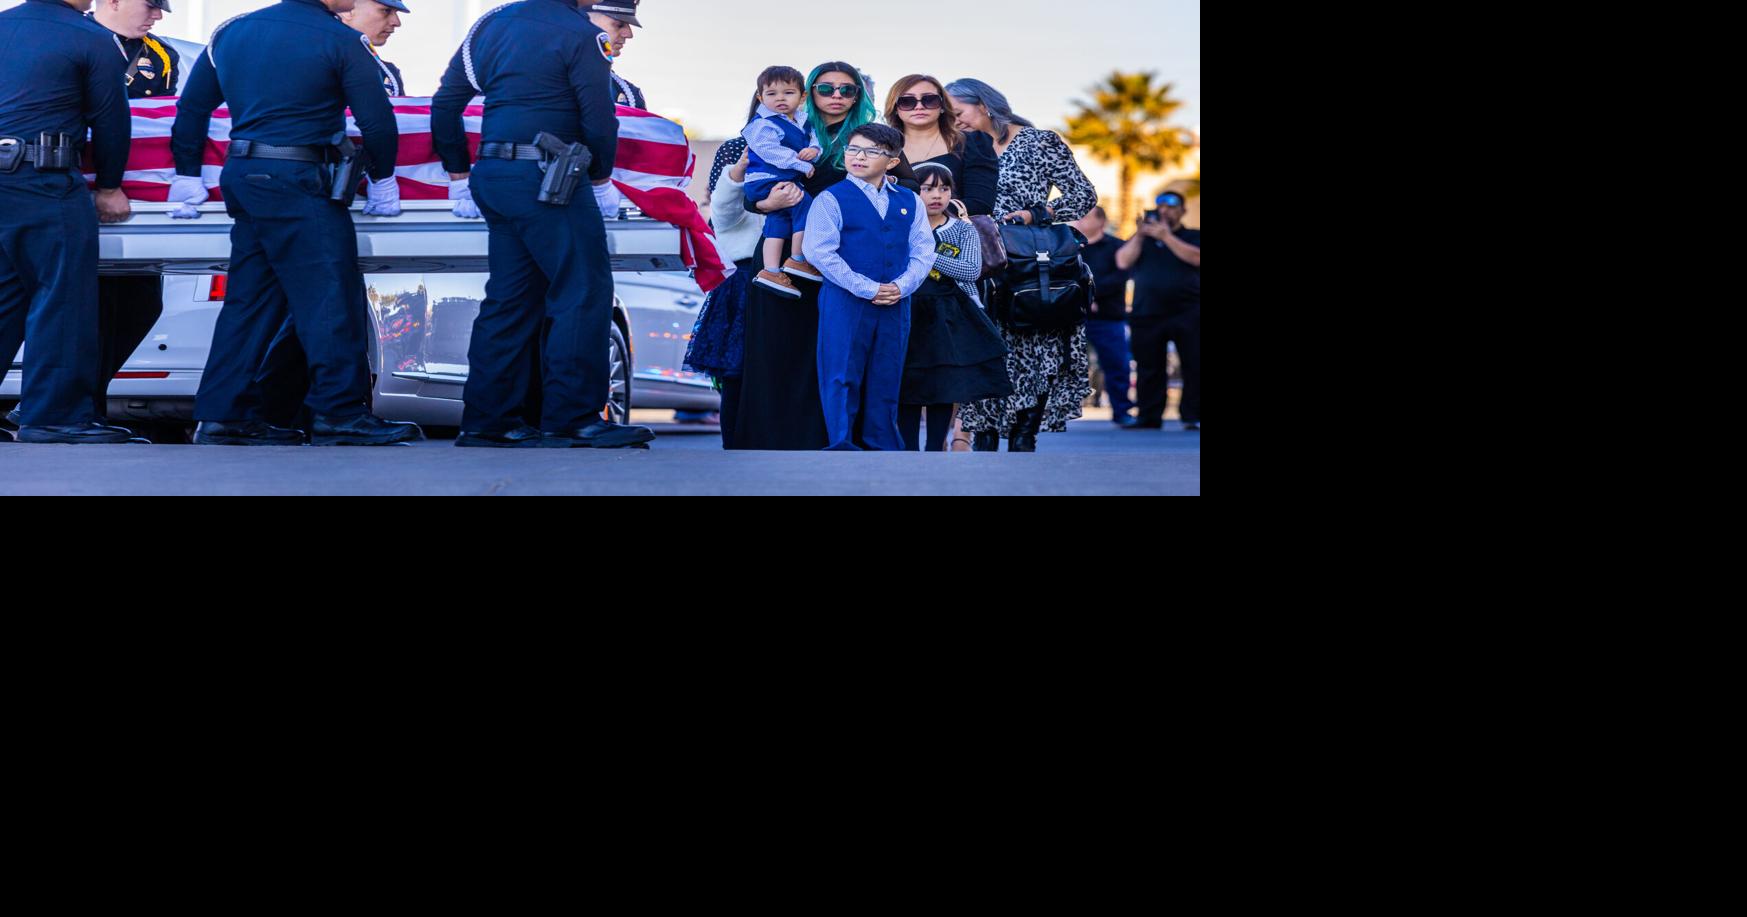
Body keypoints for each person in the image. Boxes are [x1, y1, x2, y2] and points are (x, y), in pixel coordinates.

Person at [170, 0, 418, 447]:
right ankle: (341, 413)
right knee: (329, 298)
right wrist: (383, 179)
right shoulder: (342, 40)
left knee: (250, 302)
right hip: (300, 180)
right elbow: (377, 121)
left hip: (245, 174)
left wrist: (187, 173)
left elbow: (191, 109)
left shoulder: (232, 32)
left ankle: (223, 414)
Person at [431, 0, 653, 448]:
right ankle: (574, 418)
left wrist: (458, 171)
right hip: (550, 180)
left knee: (510, 300)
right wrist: (602, 178)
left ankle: (487, 420)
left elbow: (446, 102)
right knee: (583, 292)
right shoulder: (580, 34)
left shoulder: (491, 23)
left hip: (493, 175)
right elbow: (598, 117)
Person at [0, 0, 136, 445]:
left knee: (4, 300)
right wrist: (110, 186)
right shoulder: (91, 38)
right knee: (62, 296)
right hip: (43, 179)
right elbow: (112, 121)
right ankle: (54, 416)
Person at [947, 77, 1097, 452]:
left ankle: (1023, 436)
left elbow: (1083, 195)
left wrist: (1038, 213)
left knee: (1037, 346)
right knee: (984, 343)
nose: (955, 120)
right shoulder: (955, 147)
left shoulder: (1038, 141)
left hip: (1031, 261)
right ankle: (982, 436)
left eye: (958, 111)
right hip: (976, 261)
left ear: (983, 104)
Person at [732, 61, 875, 452]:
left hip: (841, 259)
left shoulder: (867, 137)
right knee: (777, 345)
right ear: (810, 92)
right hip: (781, 253)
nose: (836, 97)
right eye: (826, 89)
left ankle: (829, 437)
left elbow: (906, 182)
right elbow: (751, 191)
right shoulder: (779, 131)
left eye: (847, 90)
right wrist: (767, 201)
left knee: (828, 350)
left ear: (859, 95)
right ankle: (769, 439)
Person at [802, 122, 936, 451]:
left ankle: (883, 442)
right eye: (853, 149)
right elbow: (818, 251)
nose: (858, 157)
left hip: (896, 299)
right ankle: (841, 440)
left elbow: (923, 249)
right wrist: (866, 288)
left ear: (891, 160)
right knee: (841, 370)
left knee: (887, 371)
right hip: (845, 299)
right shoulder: (831, 198)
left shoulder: (909, 200)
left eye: (871, 152)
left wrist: (902, 286)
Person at [683, 132, 803, 449]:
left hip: (795, 274)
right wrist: (757, 195)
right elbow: (722, 210)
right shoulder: (738, 148)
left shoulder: (804, 147)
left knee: (784, 366)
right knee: (737, 370)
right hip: (745, 275)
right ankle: (735, 443)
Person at [898, 164, 1010, 452]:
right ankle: (908, 449)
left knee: (944, 383)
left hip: (950, 314)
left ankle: (937, 446)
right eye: (928, 188)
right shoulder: (901, 225)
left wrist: (926, 254)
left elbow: (970, 270)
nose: (937, 195)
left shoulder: (962, 229)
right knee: (908, 383)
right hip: (908, 309)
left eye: (944, 188)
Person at [1117, 191, 1199, 431]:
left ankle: (1192, 415)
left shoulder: (1192, 236)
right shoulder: (1142, 240)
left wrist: (1168, 237)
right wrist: (1140, 235)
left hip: (1188, 311)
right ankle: (1149, 416)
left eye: (1172, 207)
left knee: (1194, 364)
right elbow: (1122, 261)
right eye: (1160, 207)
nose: (1165, 212)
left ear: (1182, 211)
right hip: (1147, 312)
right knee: (1148, 366)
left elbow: (1196, 258)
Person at [741, 66, 823, 299]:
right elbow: (771, 152)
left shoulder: (803, 120)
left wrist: (813, 151)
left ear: (802, 96)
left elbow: (814, 140)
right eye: (771, 94)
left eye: (788, 93)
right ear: (760, 97)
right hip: (766, 179)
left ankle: (771, 270)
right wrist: (803, 165)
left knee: (779, 220)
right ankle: (798, 259)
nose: (780, 99)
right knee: (804, 205)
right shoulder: (762, 124)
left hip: (779, 179)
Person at [883, 74, 997, 217]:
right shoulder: (881, 149)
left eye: (929, 100)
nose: (919, 106)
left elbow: (981, 203)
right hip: (896, 236)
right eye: (907, 101)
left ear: (943, 106)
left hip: (956, 234)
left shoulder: (974, 143)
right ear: (895, 108)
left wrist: (921, 212)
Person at [1074, 206, 1134, 424]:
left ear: (1101, 221)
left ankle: (1122, 411)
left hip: (1108, 317)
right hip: (1075, 317)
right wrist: (1085, 299)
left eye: (1085, 216)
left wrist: (1093, 296)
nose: (1079, 220)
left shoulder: (1117, 246)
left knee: (1117, 365)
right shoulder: (1071, 246)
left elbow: (1120, 276)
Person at [340, 0, 409, 96]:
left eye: (396, 12)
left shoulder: (388, 72)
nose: (397, 22)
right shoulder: (318, 64)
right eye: (386, 10)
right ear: (347, 11)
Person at [586, 1, 645, 109]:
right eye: (619, 24)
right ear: (585, 21)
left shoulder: (629, 93)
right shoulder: (551, 82)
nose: (629, 34)